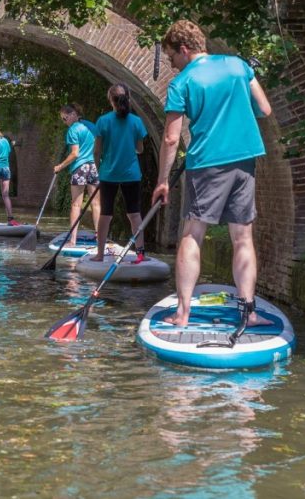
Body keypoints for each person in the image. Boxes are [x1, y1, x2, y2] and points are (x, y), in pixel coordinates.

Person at [151, 20, 273, 328]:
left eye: (171, 58)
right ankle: (250, 313)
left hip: (207, 163)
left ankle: (182, 313)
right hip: (245, 159)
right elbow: (264, 109)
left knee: (192, 234)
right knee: (243, 237)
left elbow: (170, 138)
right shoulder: (238, 65)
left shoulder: (182, 83)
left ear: (184, 49)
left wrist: (163, 181)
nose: (172, 65)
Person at [90, 83, 148, 263]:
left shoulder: (103, 121)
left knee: (105, 215)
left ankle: (99, 255)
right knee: (134, 214)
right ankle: (140, 254)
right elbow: (140, 149)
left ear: (110, 101)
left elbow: (97, 151)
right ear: (128, 98)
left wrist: (99, 171)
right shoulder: (137, 122)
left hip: (108, 173)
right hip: (131, 174)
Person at [54, 103, 100, 246]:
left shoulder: (73, 130)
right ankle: (100, 238)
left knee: (76, 205)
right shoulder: (91, 126)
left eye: (65, 118)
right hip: (93, 167)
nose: (64, 122)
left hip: (80, 168)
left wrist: (60, 166)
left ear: (74, 114)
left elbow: (75, 154)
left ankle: (73, 240)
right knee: (96, 204)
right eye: (63, 119)